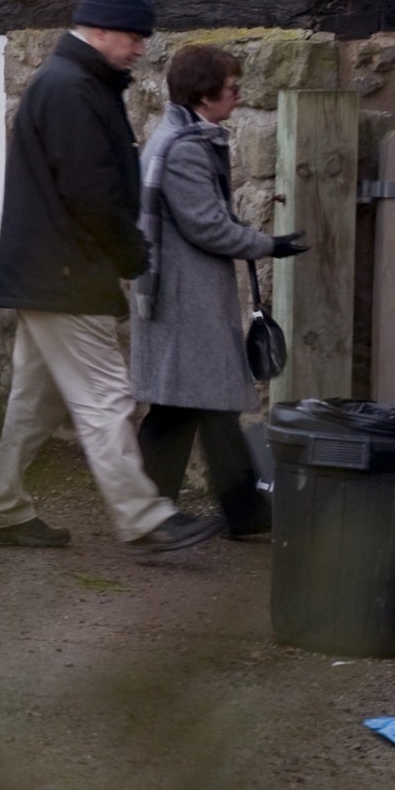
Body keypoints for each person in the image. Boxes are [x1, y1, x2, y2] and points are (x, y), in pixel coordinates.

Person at [0, 0, 220, 554]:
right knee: (106, 396)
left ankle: (2, 508)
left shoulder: (73, 83)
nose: (140, 48)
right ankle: (145, 518)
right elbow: (91, 192)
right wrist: (130, 252)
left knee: (34, 401)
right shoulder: (72, 88)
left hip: (50, 271)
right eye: (133, 36)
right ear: (100, 31)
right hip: (66, 273)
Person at [130, 44, 308, 539]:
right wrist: (268, 245)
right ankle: (146, 514)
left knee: (204, 404)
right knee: (181, 407)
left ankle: (240, 512)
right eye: (232, 88)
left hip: (182, 294)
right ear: (205, 94)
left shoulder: (178, 135)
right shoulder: (184, 147)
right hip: (184, 299)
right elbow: (207, 226)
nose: (238, 95)